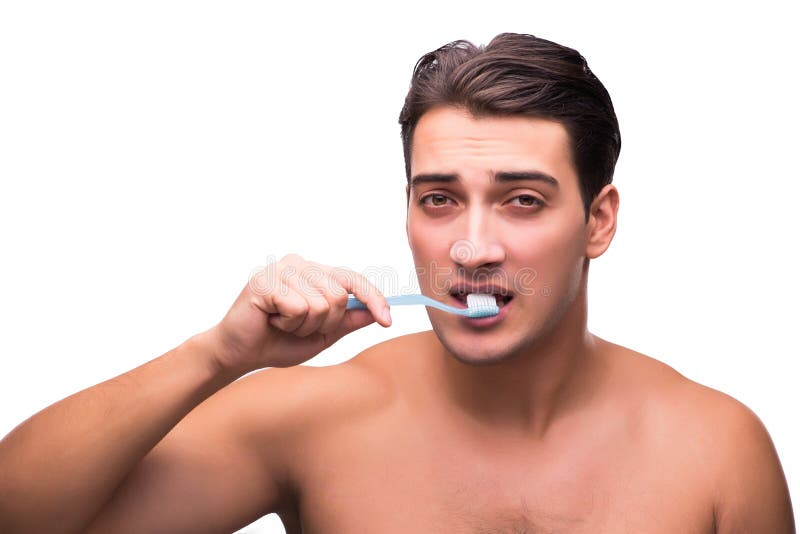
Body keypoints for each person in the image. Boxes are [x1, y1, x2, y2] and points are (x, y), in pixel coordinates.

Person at [0, 32, 794, 534]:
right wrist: (213, 355)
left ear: (599, 221)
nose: (473, 246)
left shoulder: (715, 449)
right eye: (439, 200)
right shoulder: (313, 417)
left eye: (522, 201)